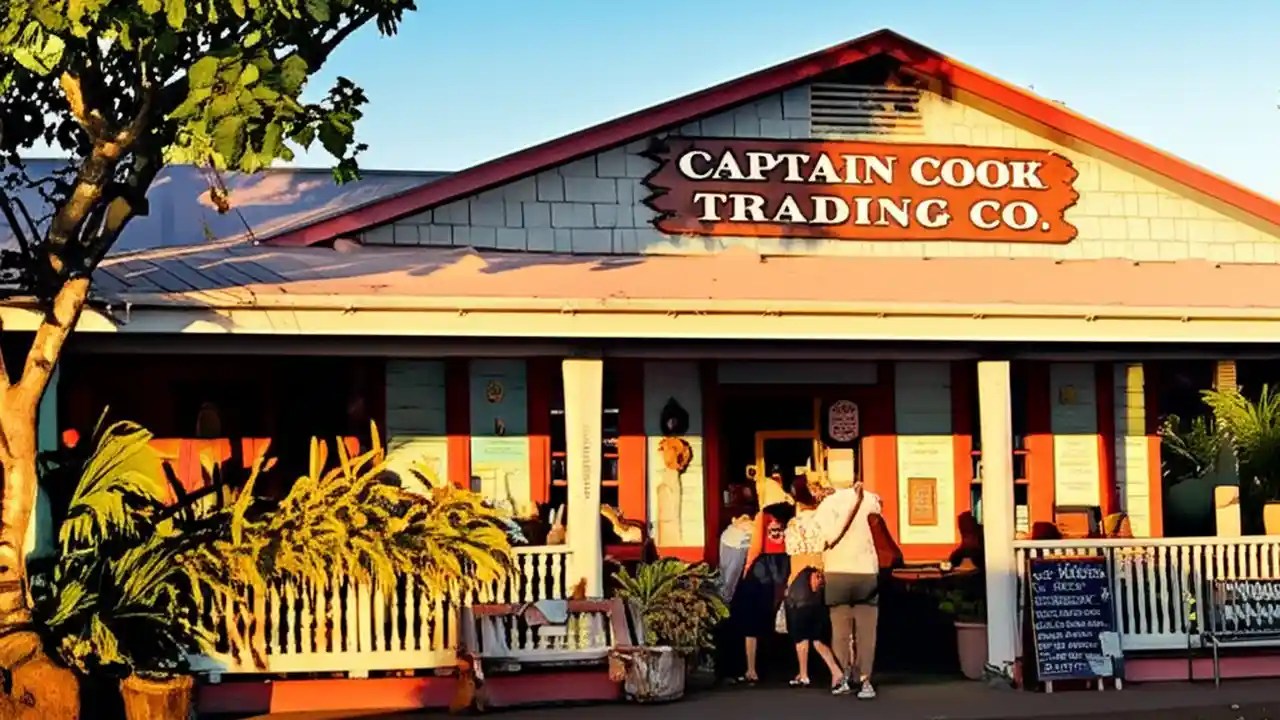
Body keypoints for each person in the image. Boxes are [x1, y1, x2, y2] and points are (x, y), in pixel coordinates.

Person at [814, 480, 882, 699]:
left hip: (837, 570)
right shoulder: (870, 499)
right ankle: (865, 680)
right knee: (866, 631)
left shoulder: (826, 505)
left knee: (840, 630)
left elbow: (822, 538)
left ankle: (843, 676)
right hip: (866, 570)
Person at [783, 477, 844, 688]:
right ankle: (816, 672)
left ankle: (806, 672)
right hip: (819, 575)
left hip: (799, 576)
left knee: (801, 631)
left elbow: (792, 553)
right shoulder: (821, 522)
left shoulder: (794, 524)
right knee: (816, 630)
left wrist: (789, 583)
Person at [729, 503, 790, 684]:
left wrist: (747, 568)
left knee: (751, 620)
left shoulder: (762, 516)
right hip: (784, 564)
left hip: (763, 567)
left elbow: (755, 546)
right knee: (776, 616)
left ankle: (751, 669)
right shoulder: (790, 516)